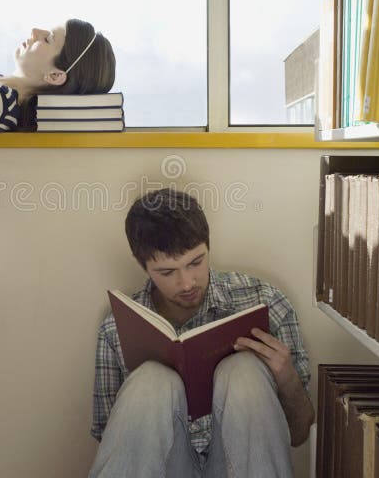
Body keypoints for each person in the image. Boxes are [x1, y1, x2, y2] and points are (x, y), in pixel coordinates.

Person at [90, 189, 314, 478]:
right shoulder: (115, 330)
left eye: (196, 262)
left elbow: (299, 434)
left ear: (208, 247)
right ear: (143, 266)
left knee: (244, 370)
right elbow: (118, 449)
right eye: (167, 272)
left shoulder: (266, 302)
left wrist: (286, 378)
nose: (187, 283)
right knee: (150, 380)